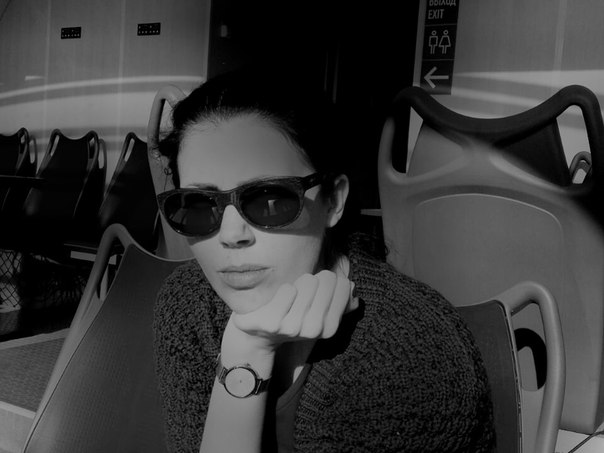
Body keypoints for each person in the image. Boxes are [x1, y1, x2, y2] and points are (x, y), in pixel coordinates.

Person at [153, 69, 495, 453]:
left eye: (270, 199)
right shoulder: (190, 302)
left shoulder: (405, 354)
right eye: (198, 205)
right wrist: (245, 351)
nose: (232, 235)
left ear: (333, 201)